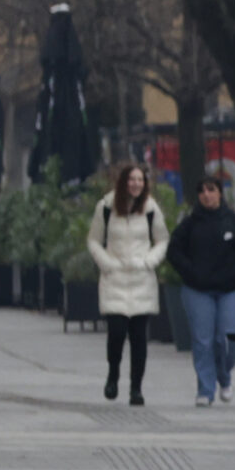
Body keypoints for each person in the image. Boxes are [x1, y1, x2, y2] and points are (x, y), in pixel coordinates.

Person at [170, 173, 235, 407]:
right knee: (203, 341)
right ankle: (205, 389)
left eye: (211, 189)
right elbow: (173, 251)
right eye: (202, 191)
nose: (207, 195)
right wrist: (190, 271)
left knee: (230, 339)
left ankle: (225, 374)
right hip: (198, 290)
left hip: (231, 289)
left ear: (221, 192)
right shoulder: (190, 224)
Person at [88, 163, 169, 405]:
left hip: (141, 279)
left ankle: (136, 387)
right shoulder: (106, 207)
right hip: (115, 278)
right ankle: (113, 374)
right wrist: (107, 263)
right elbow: (93, 240)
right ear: (124, 182)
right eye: (132, 180)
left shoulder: (151, 209)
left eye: (140, 180)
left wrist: (148, 262)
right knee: (116, 333)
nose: (136, 184)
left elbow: (162, 240)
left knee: (138, 338)